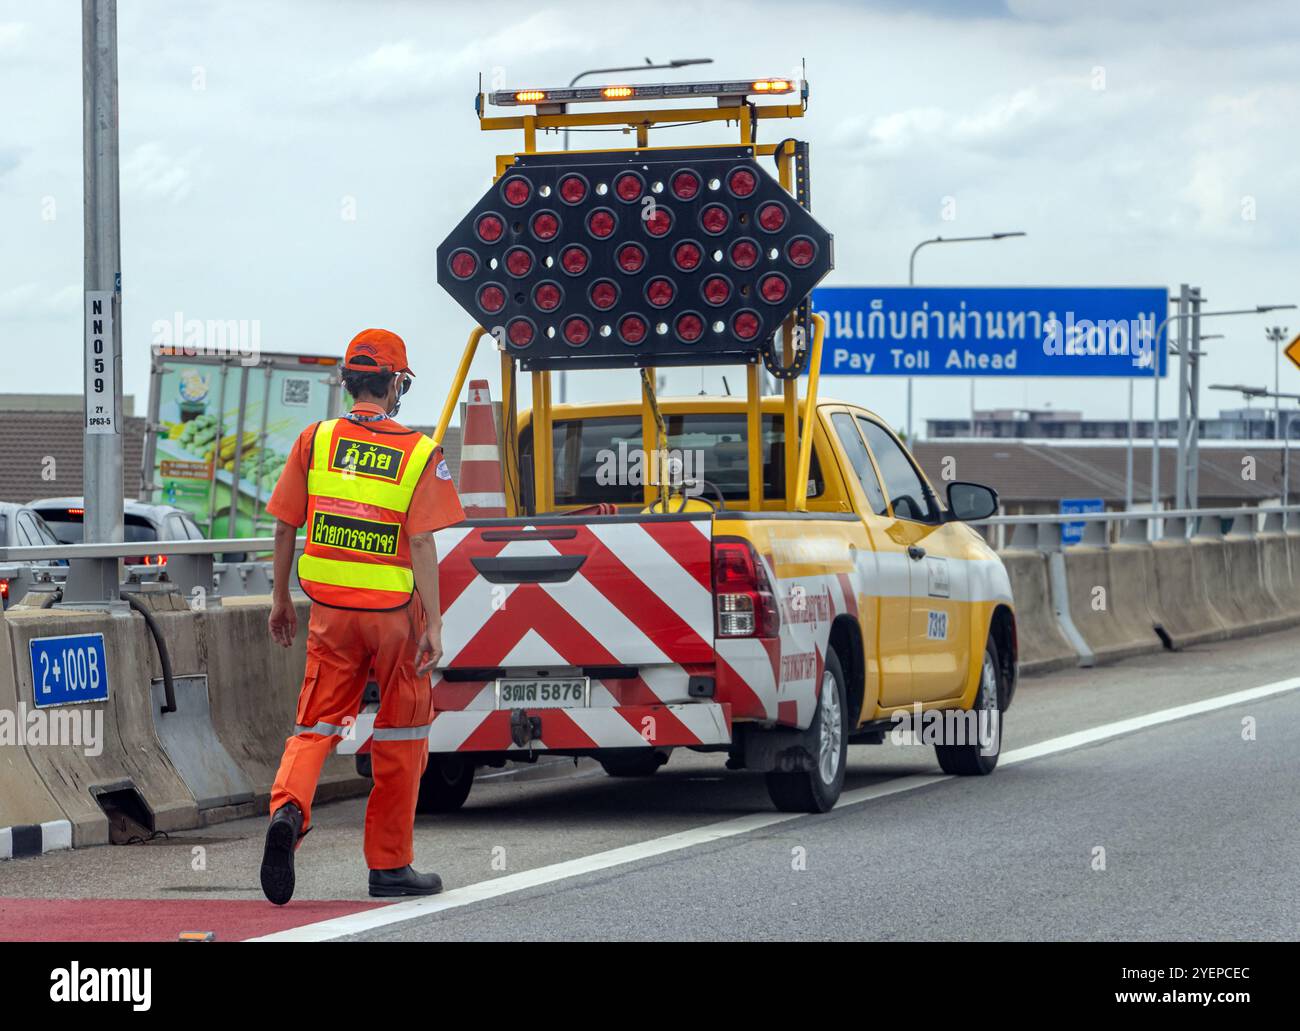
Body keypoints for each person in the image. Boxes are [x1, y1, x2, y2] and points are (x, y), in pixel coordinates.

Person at [259, 327, 465, 905]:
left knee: (315, 725)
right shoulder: (420, 452)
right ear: (396, 384)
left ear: (348, 382)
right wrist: (436, 624)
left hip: (329, 613)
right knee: (401, 733)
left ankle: (289, 811)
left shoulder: (315, 441)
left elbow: (283, 526)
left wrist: (279, 599)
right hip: (396, 616)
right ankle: (390, 867)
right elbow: (421, 543)